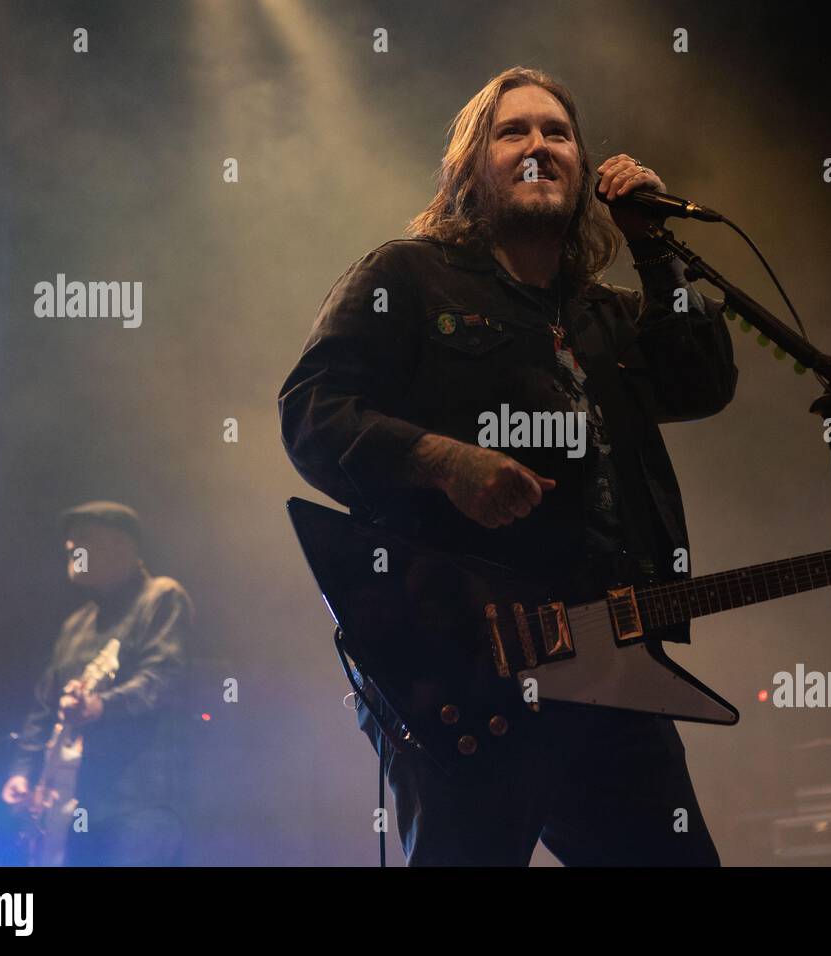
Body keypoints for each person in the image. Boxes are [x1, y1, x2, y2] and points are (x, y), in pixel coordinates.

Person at [279, 66, 738, 865]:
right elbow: (313, 413)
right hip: (468, 669)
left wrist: (655, 248)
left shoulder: (605, 314)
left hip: (611, 664)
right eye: (513, 131)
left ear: (585, 170)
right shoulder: (405, 278)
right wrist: (440, 459)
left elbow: (702, 382)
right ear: (470, 166)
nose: (538, 146)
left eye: (556, 133)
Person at [1, 501, 193, 866]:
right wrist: (23, 772)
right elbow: (45, 707)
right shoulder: (76, 624)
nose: (71, 546)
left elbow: (165, 678)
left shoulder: (161, 597)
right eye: (70, 540)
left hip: (141, 803)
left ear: (123, 547)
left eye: (84, 537)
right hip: (73, 803)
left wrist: (100, 705)